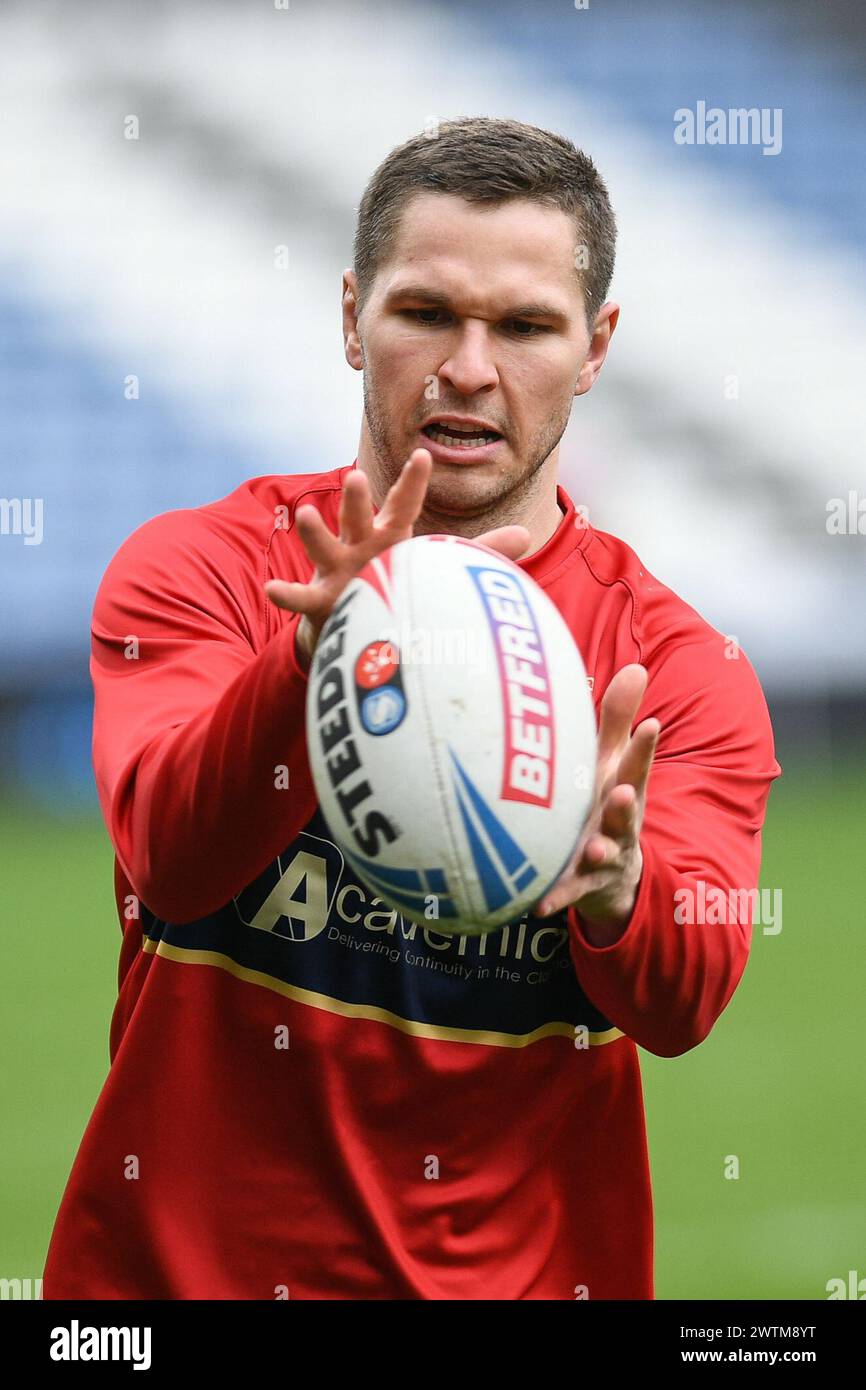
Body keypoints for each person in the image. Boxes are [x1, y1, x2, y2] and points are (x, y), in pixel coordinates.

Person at [43, 116, 781, 1300]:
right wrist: (304, 662)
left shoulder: (677, 670)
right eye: (425, 312)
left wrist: (618, 892)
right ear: (351, 319)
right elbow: (172, 860)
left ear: (592, 348)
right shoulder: (204, 572)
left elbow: (685, 999)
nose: (469, 368)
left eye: (526, 326)